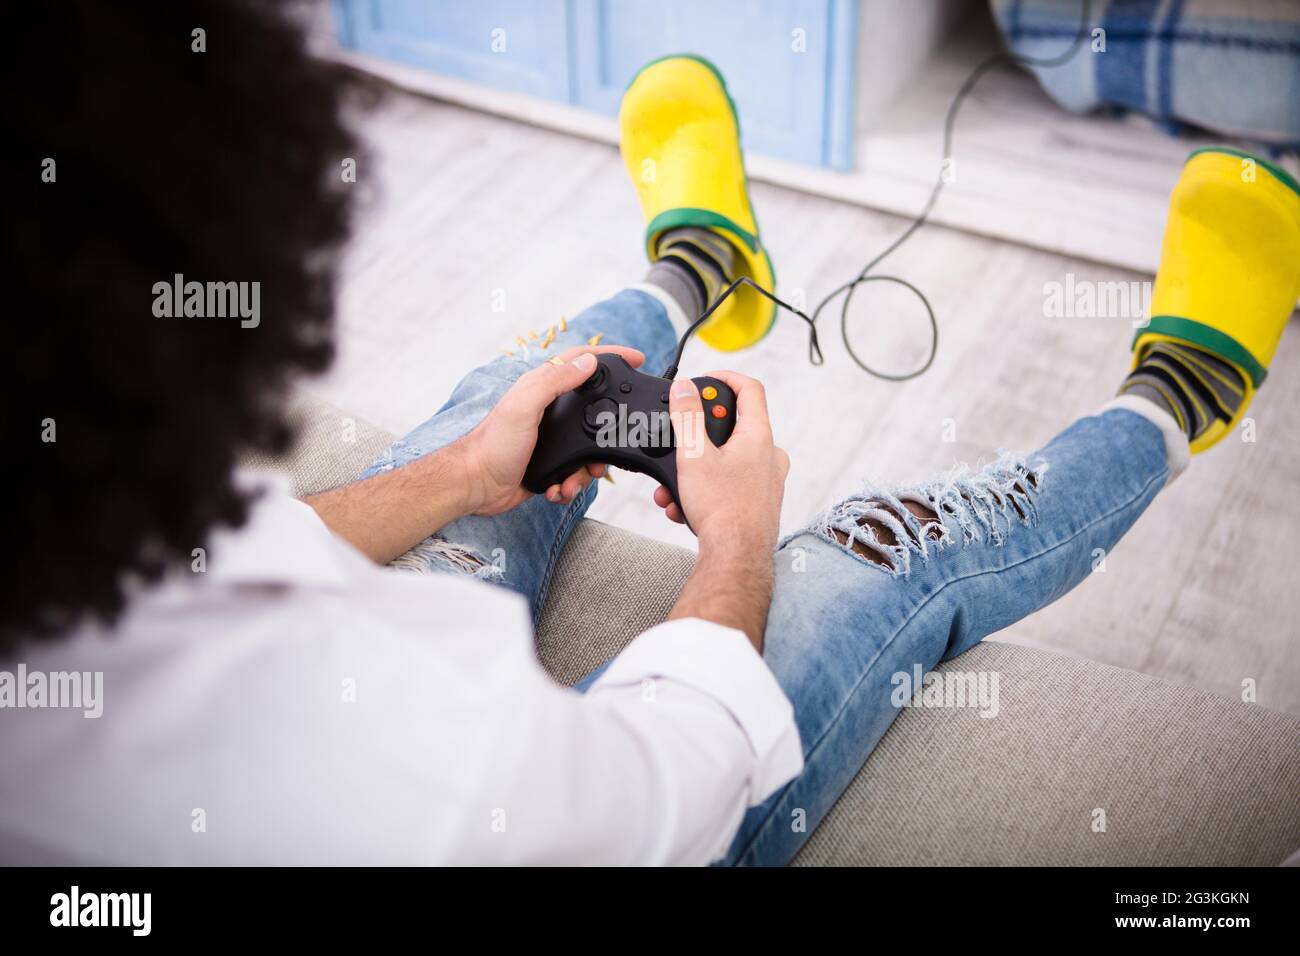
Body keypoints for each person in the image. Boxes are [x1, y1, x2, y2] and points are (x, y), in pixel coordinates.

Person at [3, 2, 1298, 865]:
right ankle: (1182, 397)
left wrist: (463, 473)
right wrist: (733, 547)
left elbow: (225, 551)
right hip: (616, 821)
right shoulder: (425, 786)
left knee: (529, 400)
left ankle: (698, 263)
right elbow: (673, 773)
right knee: (871, 550)